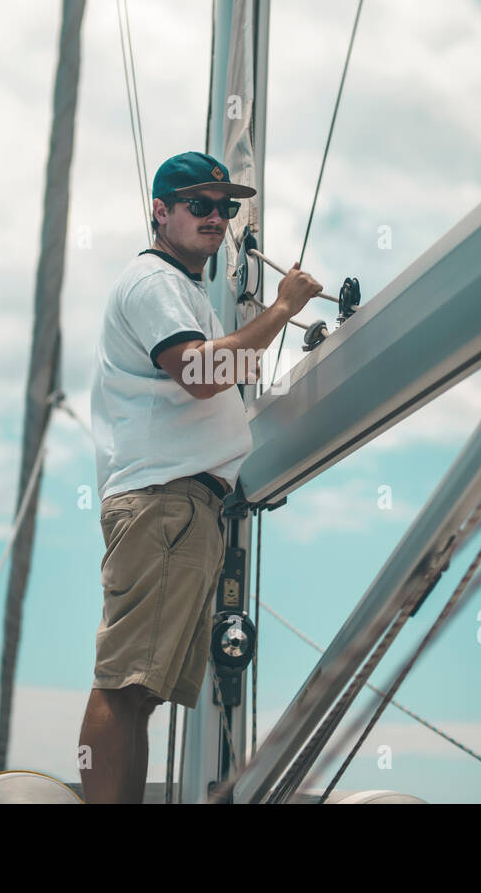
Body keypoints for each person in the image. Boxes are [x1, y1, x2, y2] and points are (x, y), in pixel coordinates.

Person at [78, 151, 322, 803]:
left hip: (183, 506)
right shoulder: (155, 281)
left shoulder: (183, 291)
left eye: (226, 207)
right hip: (166, 501)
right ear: (160, 211)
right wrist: (280, 311)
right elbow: (198, 372)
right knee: (127, 686)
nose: (216, 217)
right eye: (199, 204)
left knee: (141, 693)